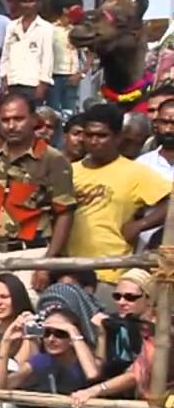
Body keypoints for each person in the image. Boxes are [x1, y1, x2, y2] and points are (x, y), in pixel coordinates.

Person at [0, 92, 76, 296]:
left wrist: (47, 263)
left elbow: (65, 213)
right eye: (5, 120)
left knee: (29, 313)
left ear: (33, 119)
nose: (11, 126)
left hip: (32, 253)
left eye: (18, 119)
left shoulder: (52, 159)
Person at [69, 104, 170, 300]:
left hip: (110, 272)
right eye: (89, 135)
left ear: (118, 137)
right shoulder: (70, 171)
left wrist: (141, 224)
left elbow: (171, 201)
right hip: (69, 271)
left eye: (102, 135)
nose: (94, 141)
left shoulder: (135, 171)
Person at [0, 0, 53, 105]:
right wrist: (3, 77)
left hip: (33, 83)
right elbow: (5, 54)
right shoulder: (12, 26)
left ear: (38, 4)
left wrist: (43, 84)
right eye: (24, 1)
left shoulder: (46, 28)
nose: (27, 5)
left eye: (31, 1)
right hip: (13, 80)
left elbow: (47, 58)